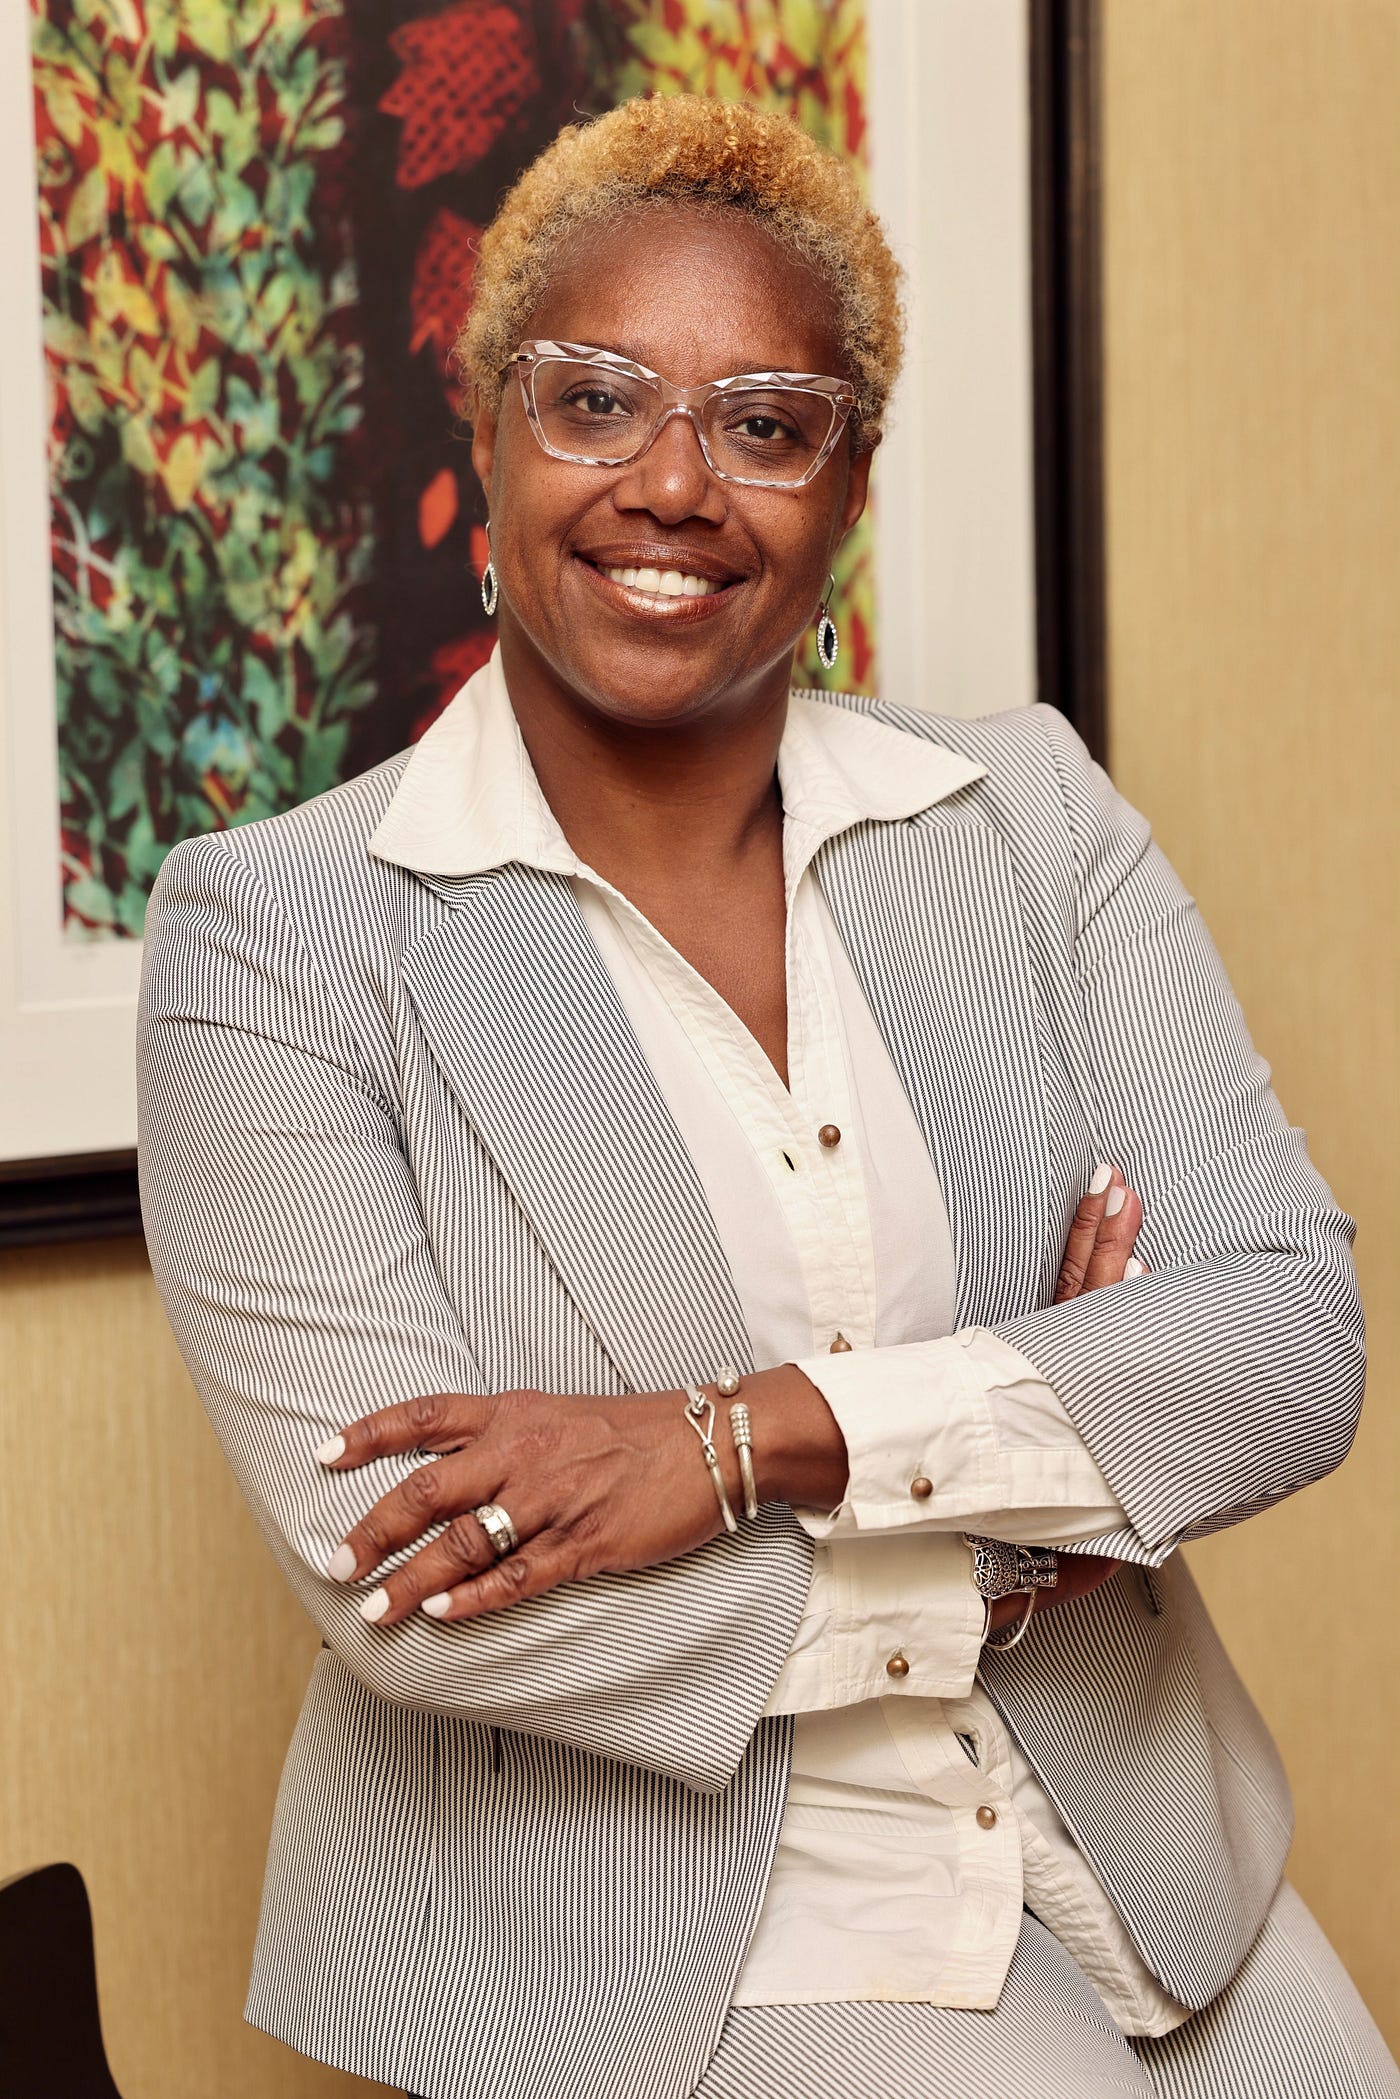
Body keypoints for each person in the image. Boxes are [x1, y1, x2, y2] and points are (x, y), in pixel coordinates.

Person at [137, 95, 1398, 2099]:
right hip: (653, 1937)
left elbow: (1285, 1339)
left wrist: (741, 1441)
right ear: (489, 430)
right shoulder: (282, 939)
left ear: (847, 483)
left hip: (1136, 1838)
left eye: (765, 424)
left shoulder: (1026, 821)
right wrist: (1022, 1501)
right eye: (596, 403)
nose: (671, 485)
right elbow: (423, 1590)